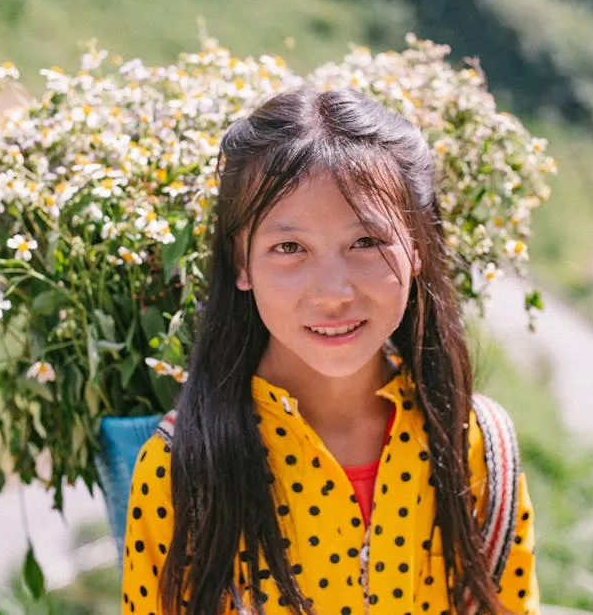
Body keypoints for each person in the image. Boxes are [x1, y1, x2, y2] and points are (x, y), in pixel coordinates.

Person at [121, 85, 539, 614]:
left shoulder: (477, 444)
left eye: (365, 242)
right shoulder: (183, 467)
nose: (334, 293)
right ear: (242, 263)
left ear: (417, 246)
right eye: (289, 248)